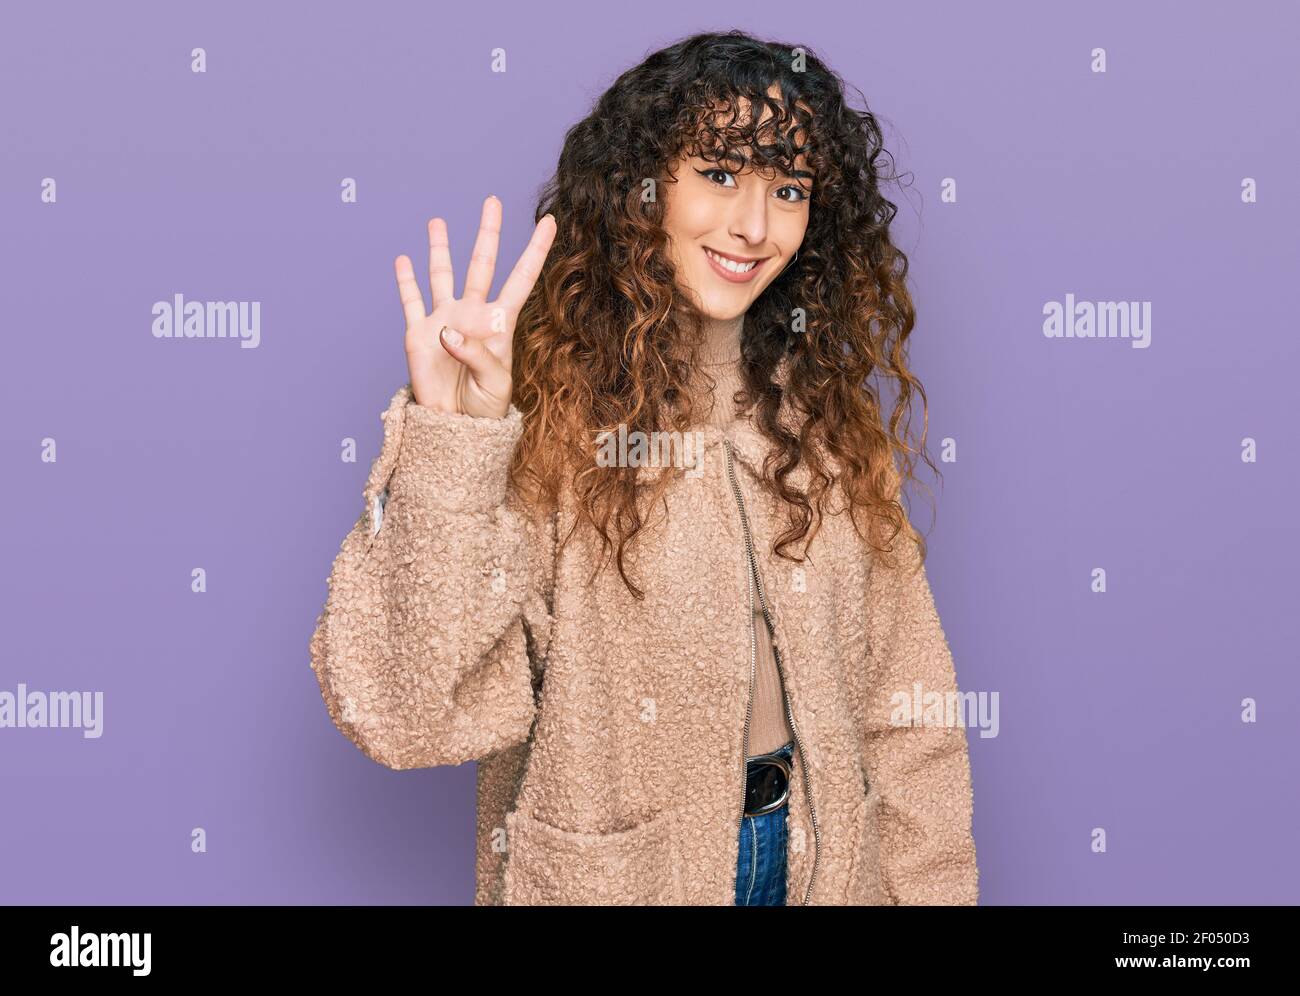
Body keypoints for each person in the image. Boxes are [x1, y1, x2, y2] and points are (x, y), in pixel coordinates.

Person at [309, 29, 979, 906]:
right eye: (718, 174)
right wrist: (451, 440)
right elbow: (410, 711)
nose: (753, 224)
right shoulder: (540, 419)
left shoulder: (830, 422)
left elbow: (908, 705)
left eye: (788, 189)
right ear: (642, 186)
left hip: (824, 870)